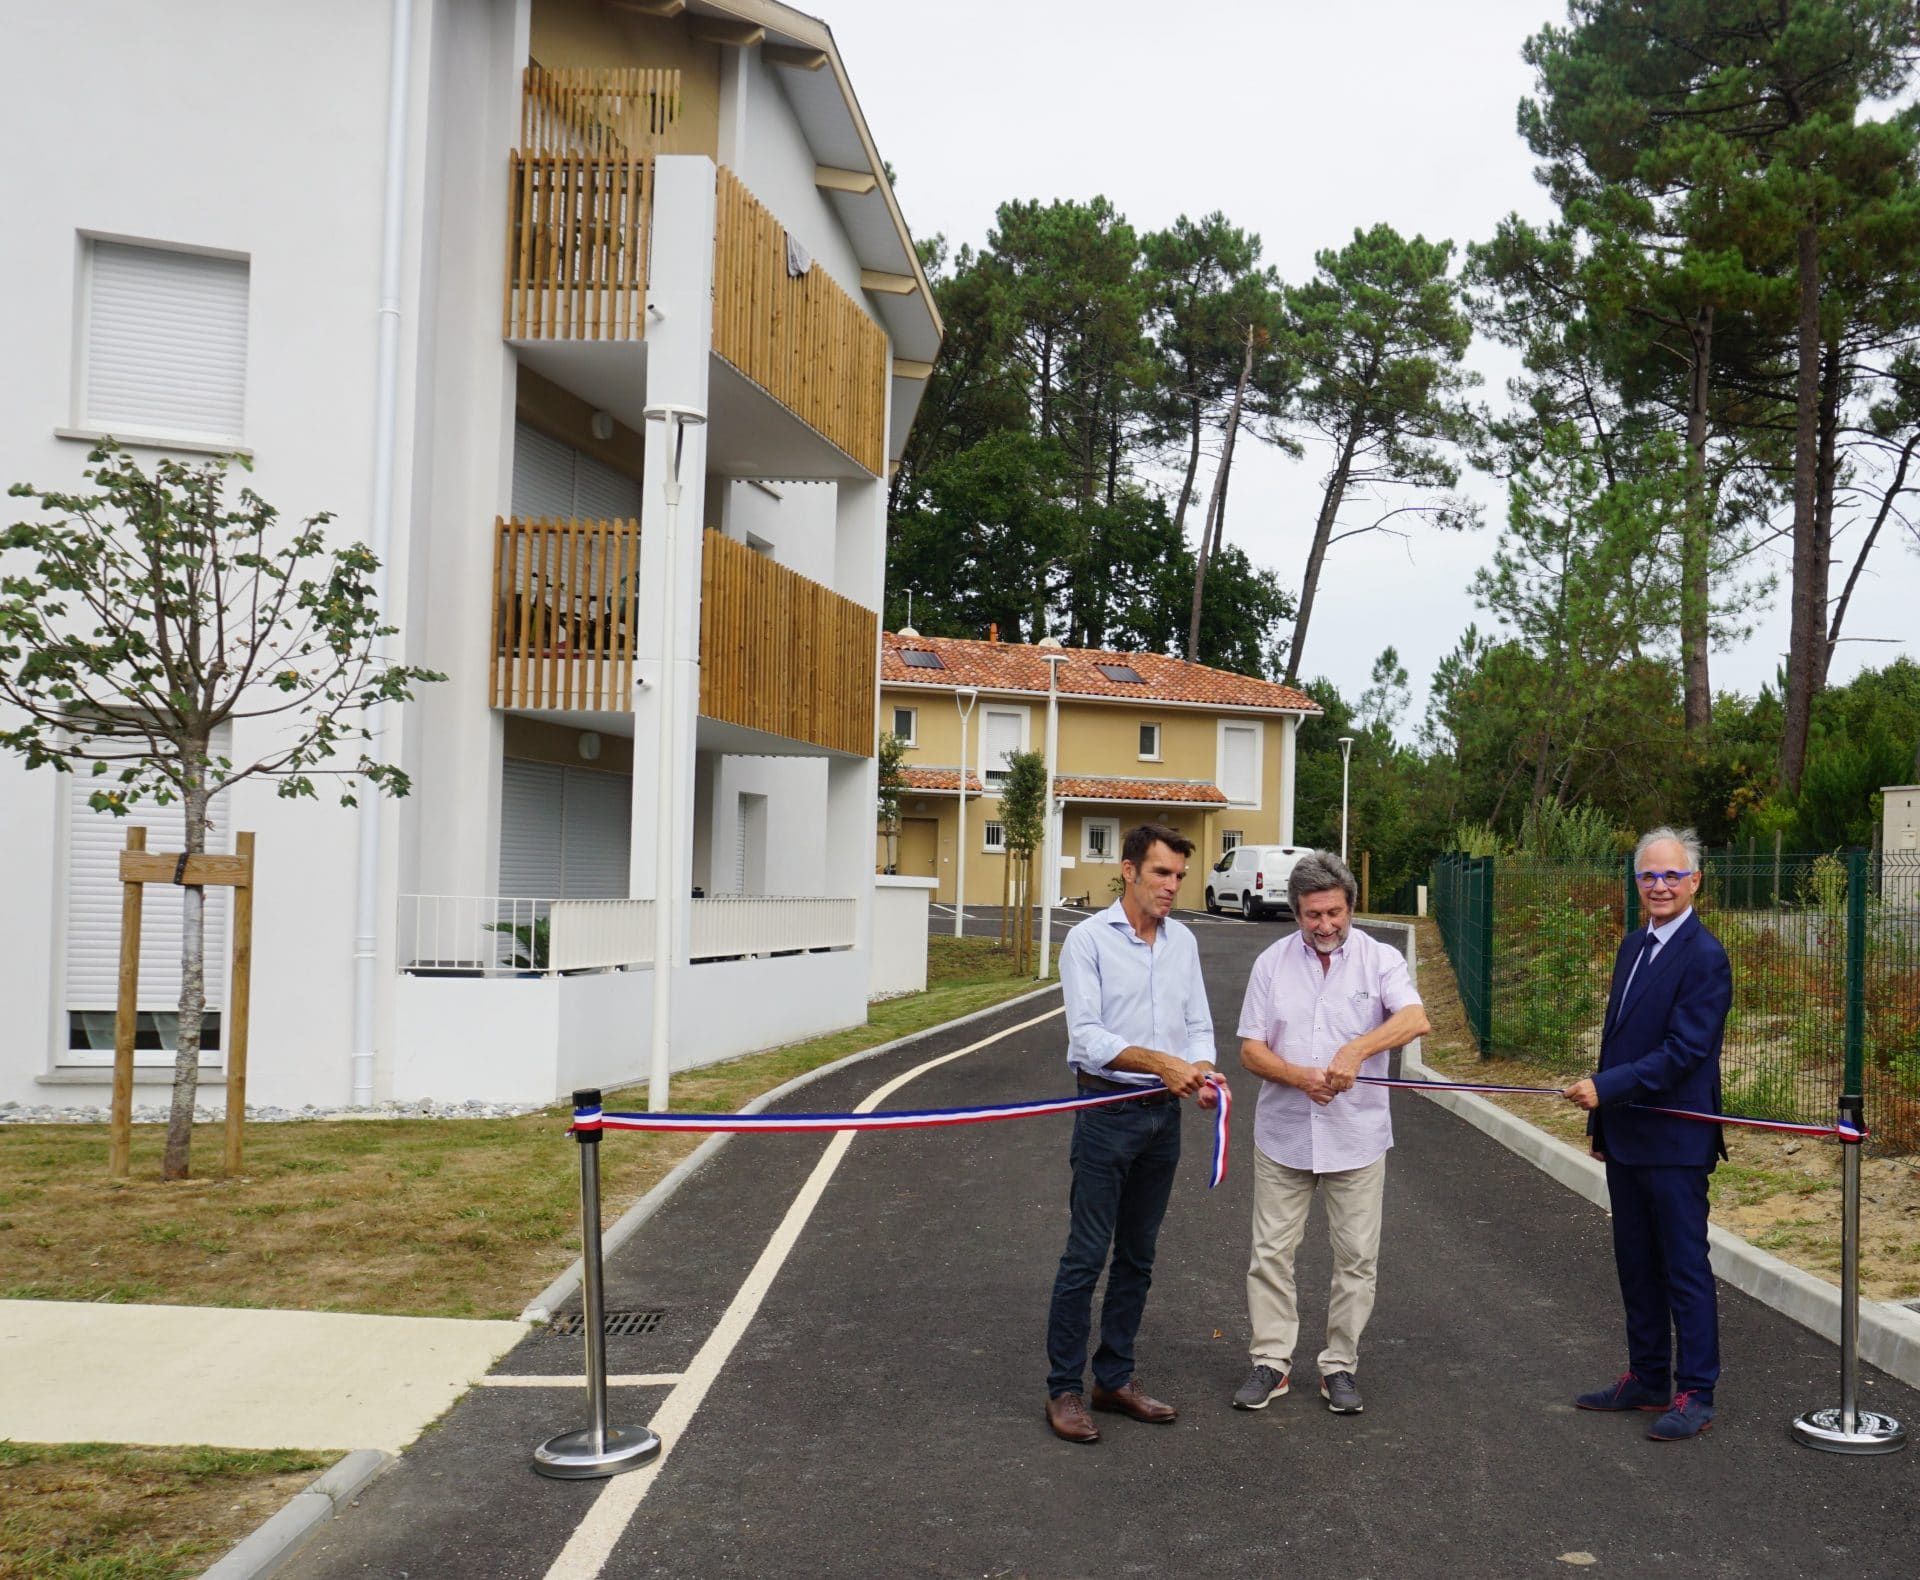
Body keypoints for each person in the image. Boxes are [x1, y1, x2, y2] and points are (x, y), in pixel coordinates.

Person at [1230, 850, 1429, 1416]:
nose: (1325, 925)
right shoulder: (1270, 963)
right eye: (1313, 914)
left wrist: (1356, 1050)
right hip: (1283, 1134)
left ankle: (1339, 1366)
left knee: (1357, 1258)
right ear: (1295, 911)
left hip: (1357, 1138)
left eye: (1335, 913)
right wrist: (1298, 1077)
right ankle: (1271, 1361)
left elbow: (1414, 1019)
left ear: (1351, 907)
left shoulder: (1381, 960)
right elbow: (1250, 1050)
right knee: (1270, 1253)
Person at [1044, 823, 1221, 1444]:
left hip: (1162, 1118)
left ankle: (1113, 1379)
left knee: (1138, 1256)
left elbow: (1197, 1024)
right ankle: (1064, 1389)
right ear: (1129, 871)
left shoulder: (1183, 944)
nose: (1172, 886)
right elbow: (1088, 1038)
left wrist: (1198, 1071)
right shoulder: (1088, 942)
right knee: (1085, 1255)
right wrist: (1161, 1063)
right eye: (1161, 874)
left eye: (1178, 875)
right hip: (1106, 1113)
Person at [1564, 826, 1732, 1442]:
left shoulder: (1706, 956)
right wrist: (1603, 1117)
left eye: (1670, 875)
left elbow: (1686, 1051)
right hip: (1627, 1135)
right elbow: (1621, 1039)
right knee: (1635, 1263)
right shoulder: (1634, 946)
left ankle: (1696, 1392)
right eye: (1647, 876)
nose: (1658, 886)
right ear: (1636, 882)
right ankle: (1648, 1377)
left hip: (1676, 1141)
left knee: (1683, 1267)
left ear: (1695, 881)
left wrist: (1607, 1087)